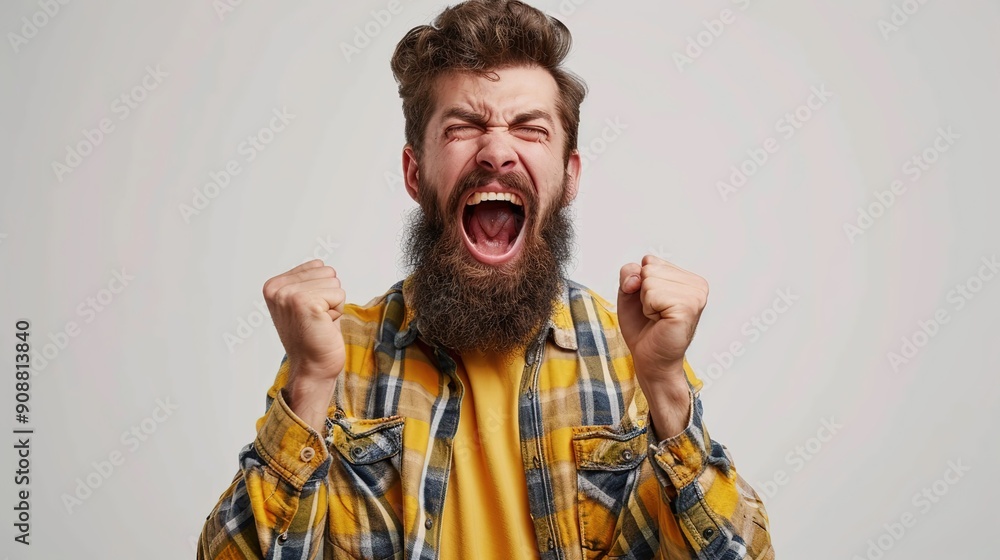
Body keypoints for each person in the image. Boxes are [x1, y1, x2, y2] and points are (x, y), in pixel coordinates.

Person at [197, 1, 774, 558]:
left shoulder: (636, 359)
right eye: (464, 126)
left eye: (530, 129)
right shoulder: (333, 356)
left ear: (568, 178)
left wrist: (668, 386)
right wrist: (309, 382)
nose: (497, 151)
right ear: (414, 173)